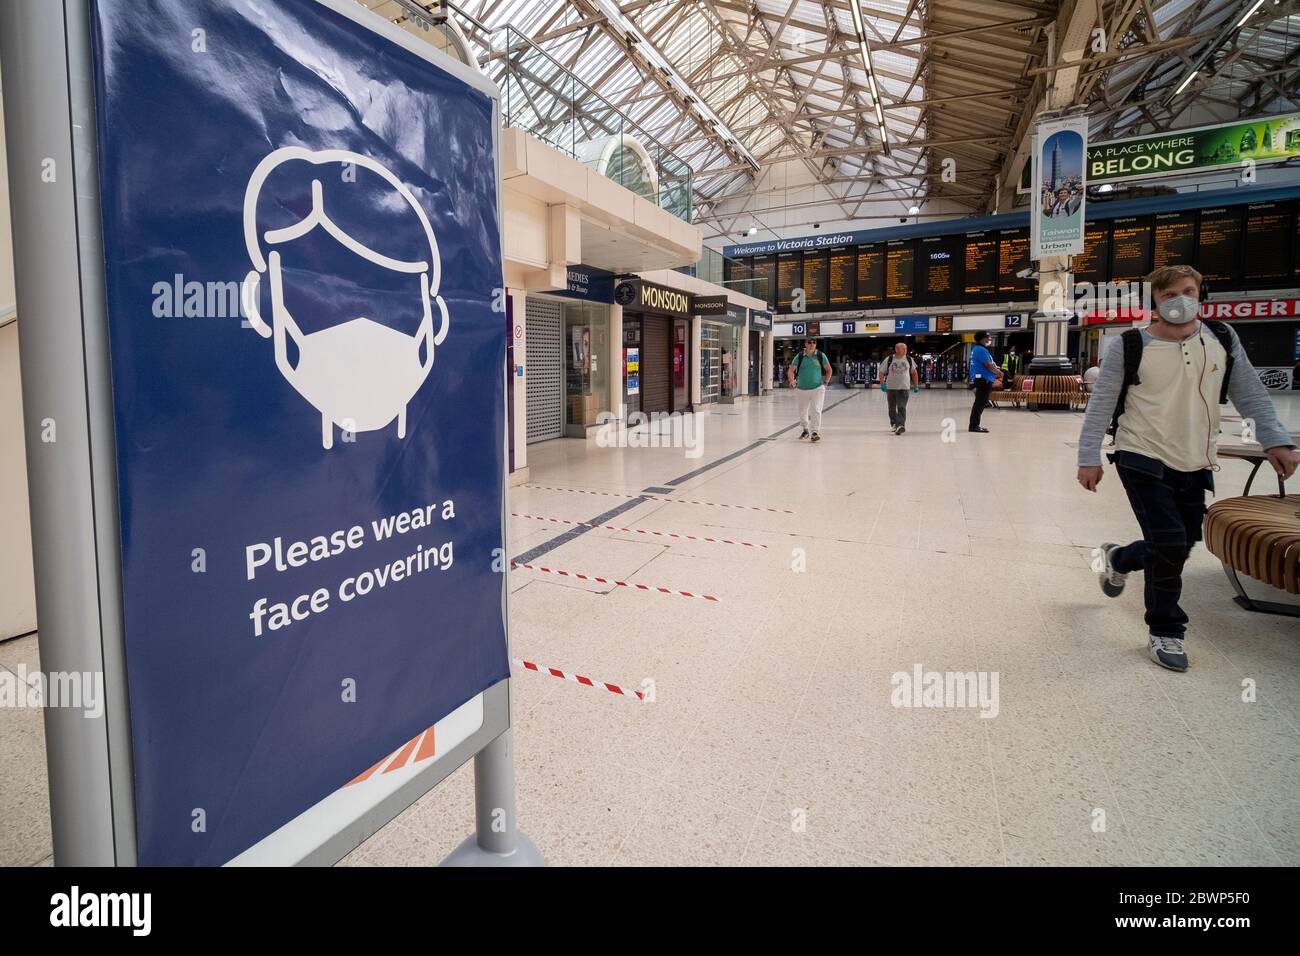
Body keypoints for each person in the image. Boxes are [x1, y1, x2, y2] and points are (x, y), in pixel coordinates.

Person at [1077, 264, 1299, 672]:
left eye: (1187, 291)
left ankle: (1120, 559)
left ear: (1201, 294)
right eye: (1168, 295)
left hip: (1196, 459)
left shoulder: (1221, 339)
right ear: (1155, 303)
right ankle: (1167, 630)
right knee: (1170, 542)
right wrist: (1088, 456)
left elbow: (1250, 391)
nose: (1180, 300)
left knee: (1179, 543)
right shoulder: (1129, 346)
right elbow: (1102, 405)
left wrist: (1275, 438)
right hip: (1140, 455)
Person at [787, 337, 831, 442]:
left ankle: (815, 432)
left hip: (817, 387)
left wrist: (825, 382)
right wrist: (791, 381)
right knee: (802, 411)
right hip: (802, 388)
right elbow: (791, 370)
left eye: (814, 342)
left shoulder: (820, 355)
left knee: (816, 409)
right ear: (805, 344)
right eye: (809, 342)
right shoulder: (800, 356)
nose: (812, 344)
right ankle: (805, 429)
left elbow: (829, 369)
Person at [879, 341, 919, 434]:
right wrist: (882, 384)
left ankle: (900, 425)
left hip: (904, 388)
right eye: (903, 348)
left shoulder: (909, 359)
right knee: (892, 408)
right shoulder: (889, 359)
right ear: (897, 349)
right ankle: (894, 424)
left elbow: (914, 372)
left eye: (906, 348)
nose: (905, 350)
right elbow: (881, 372)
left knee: (901, 406)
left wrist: (916, 385)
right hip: (891, 388)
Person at [968, 331, 1001, 433]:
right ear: (983, 339)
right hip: (984, 379)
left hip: (983, 378)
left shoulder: (977, 349)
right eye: (988, 337)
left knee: (980, 402)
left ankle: (974, 425)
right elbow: (988, 364)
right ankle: (974, 426)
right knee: (980, 403)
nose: (989, 339)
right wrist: (998, 372)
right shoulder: (981, 350)